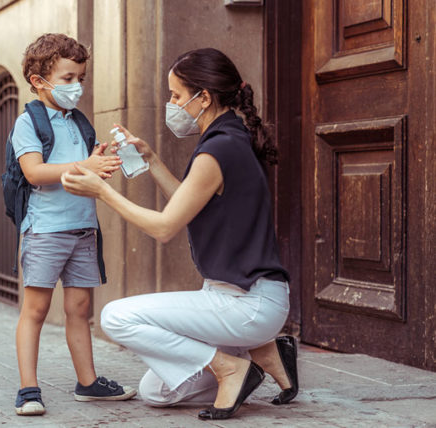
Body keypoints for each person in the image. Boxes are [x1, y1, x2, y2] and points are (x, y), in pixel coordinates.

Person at [61, 48, 299, 420]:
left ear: (203, 97)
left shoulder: (217, 150)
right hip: (241, 300)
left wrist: (102, 192)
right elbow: (189, 205)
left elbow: (165, 226)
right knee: (156, 392)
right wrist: (152, 160)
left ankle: (231, 367)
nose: (171, 104)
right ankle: (261, 351)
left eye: (175, 95)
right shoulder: (230, 137)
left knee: (116, 317)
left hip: (246, 302)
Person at [12, 33, 136, 416]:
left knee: (79, 309)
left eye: (80, 77)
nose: (76, 86)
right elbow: (34, 172)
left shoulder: (79, 122)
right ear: (39, 81)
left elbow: (83, 174)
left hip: (83, 228)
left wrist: (99, 159)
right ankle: (28, 389)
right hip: (46, 229)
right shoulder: (27, 123)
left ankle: (88, 382)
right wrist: (86, 165)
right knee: (35, 309)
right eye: (67, 78)